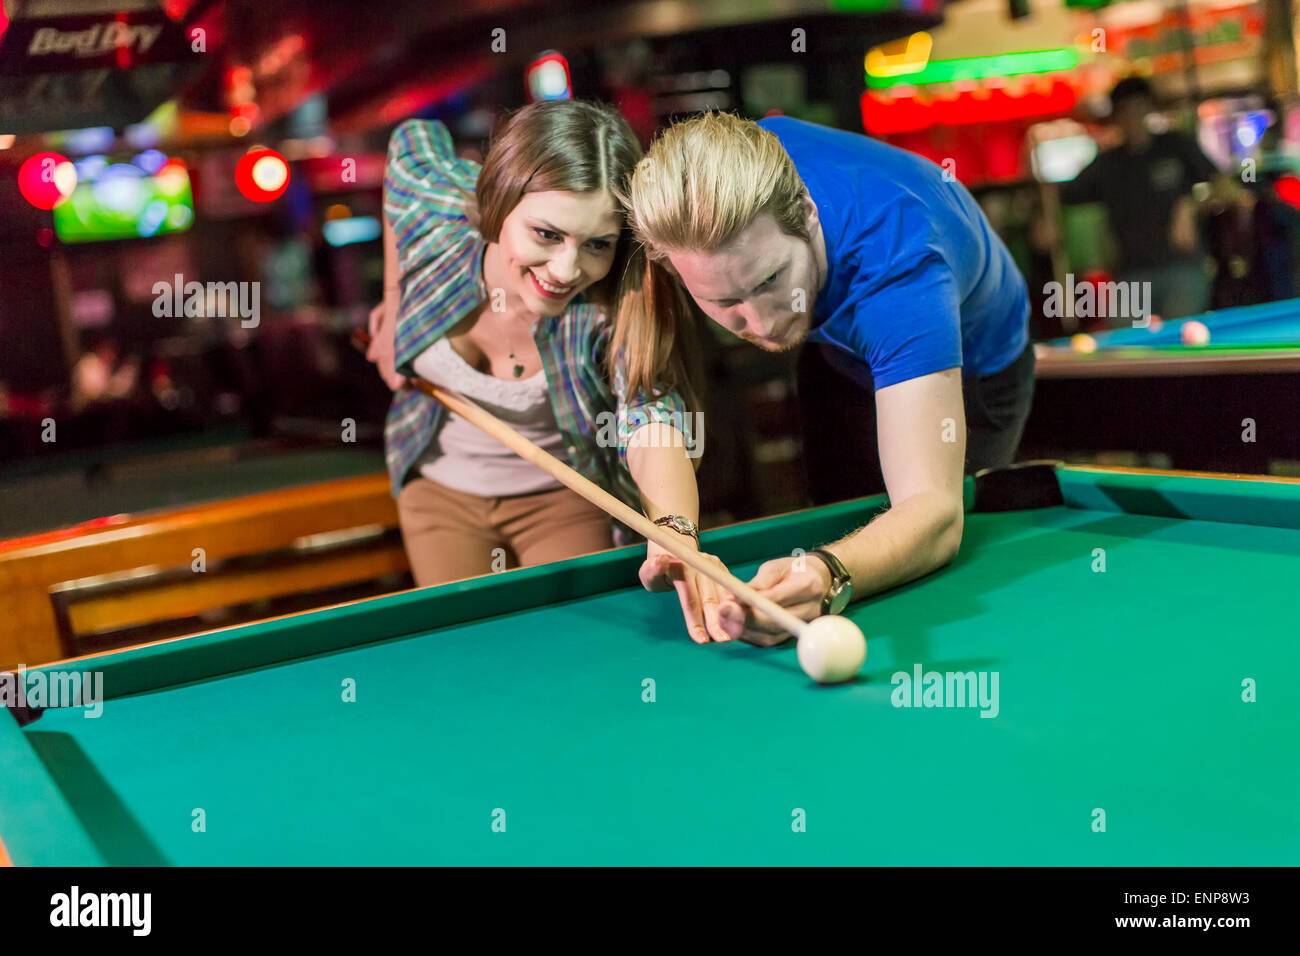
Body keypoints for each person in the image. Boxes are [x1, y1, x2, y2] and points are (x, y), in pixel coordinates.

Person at [620, 111, 1035, 644]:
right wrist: (674, 529)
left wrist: (827, 574)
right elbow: (648, 396)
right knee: (845, 518)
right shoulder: (702, 206)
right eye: (725, 302)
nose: (763, 324)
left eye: (771, 278)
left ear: (809, 217)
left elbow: (934, 514)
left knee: (935, 567)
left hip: (976, 369)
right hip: (837, 354)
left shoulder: (899, 266)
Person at [367, 100, 733, 643]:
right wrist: (395, 299)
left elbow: (652, 416)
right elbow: (410, 141)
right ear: (500, 202)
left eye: (597, 245)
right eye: (546, 234)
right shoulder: (439, 219)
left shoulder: (612, 309)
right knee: (468, 654)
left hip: (562, 495)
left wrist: (674, 530)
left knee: (575, 655)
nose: (566, 270)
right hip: (437, 488)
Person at [1058, 76, 1245, 321]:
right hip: (1131, 275)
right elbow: (1061, 196)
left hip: (1182, 269)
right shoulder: (1107, 164)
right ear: (1116, 117)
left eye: (1138, 107)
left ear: (1149, 108)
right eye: (1124, 110)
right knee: (1122, 351)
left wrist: (1189, 205)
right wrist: (1043, 216)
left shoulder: (1176, 145)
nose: (1132, 117)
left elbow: (1229, 190)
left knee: (1179, 344)